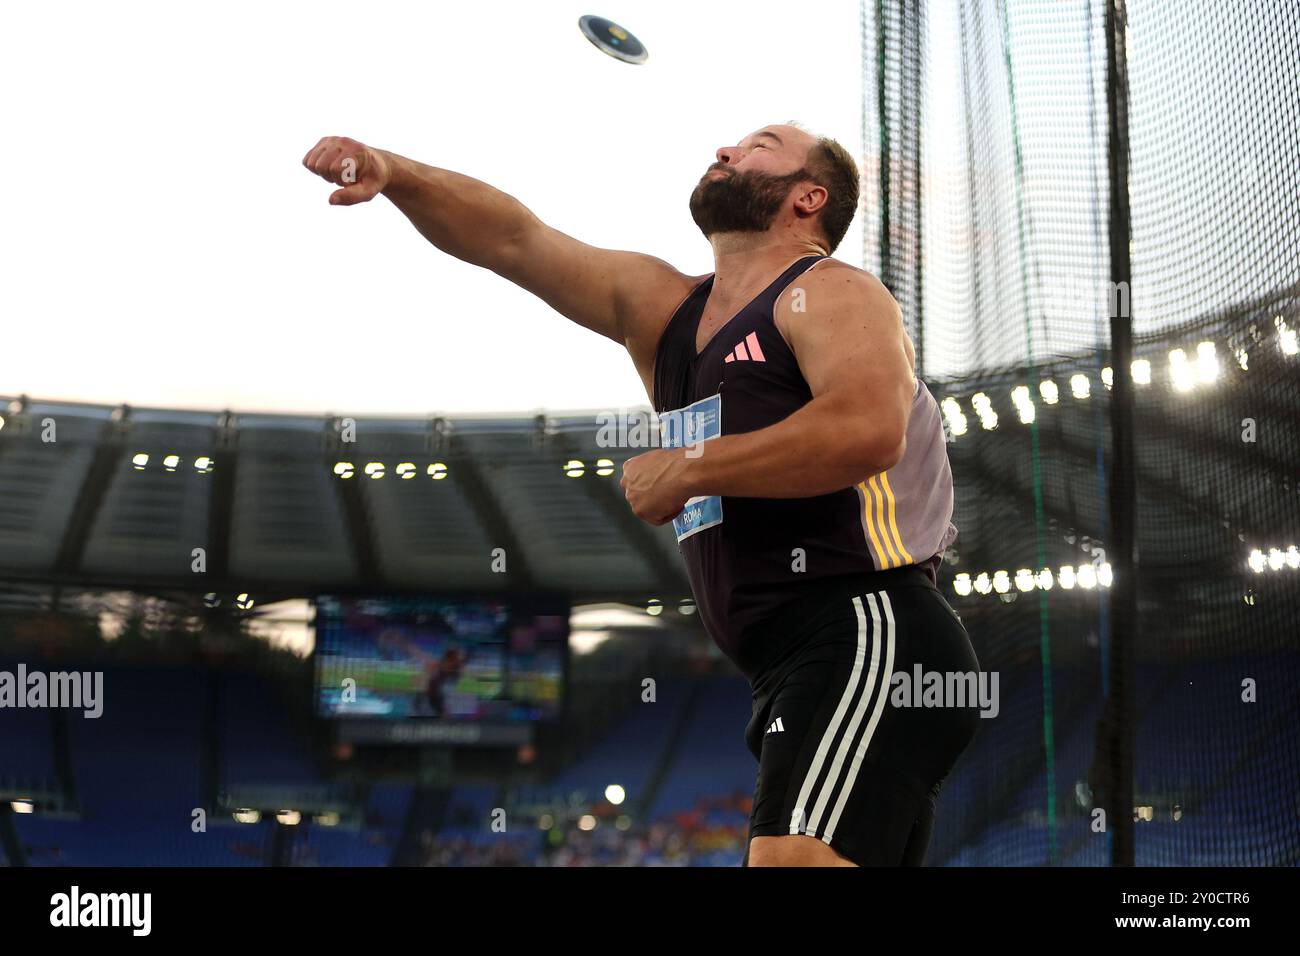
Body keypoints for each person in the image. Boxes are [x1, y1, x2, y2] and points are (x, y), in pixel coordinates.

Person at [301, 124, 980, 866]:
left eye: (760, 145)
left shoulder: (830, 291)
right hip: (789, 661)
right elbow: (513, 240)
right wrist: (396, 172)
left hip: (868, 629)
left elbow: (867, 429)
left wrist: (692, 467)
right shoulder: (666, 310)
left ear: (808, 197)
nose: (725, 150)